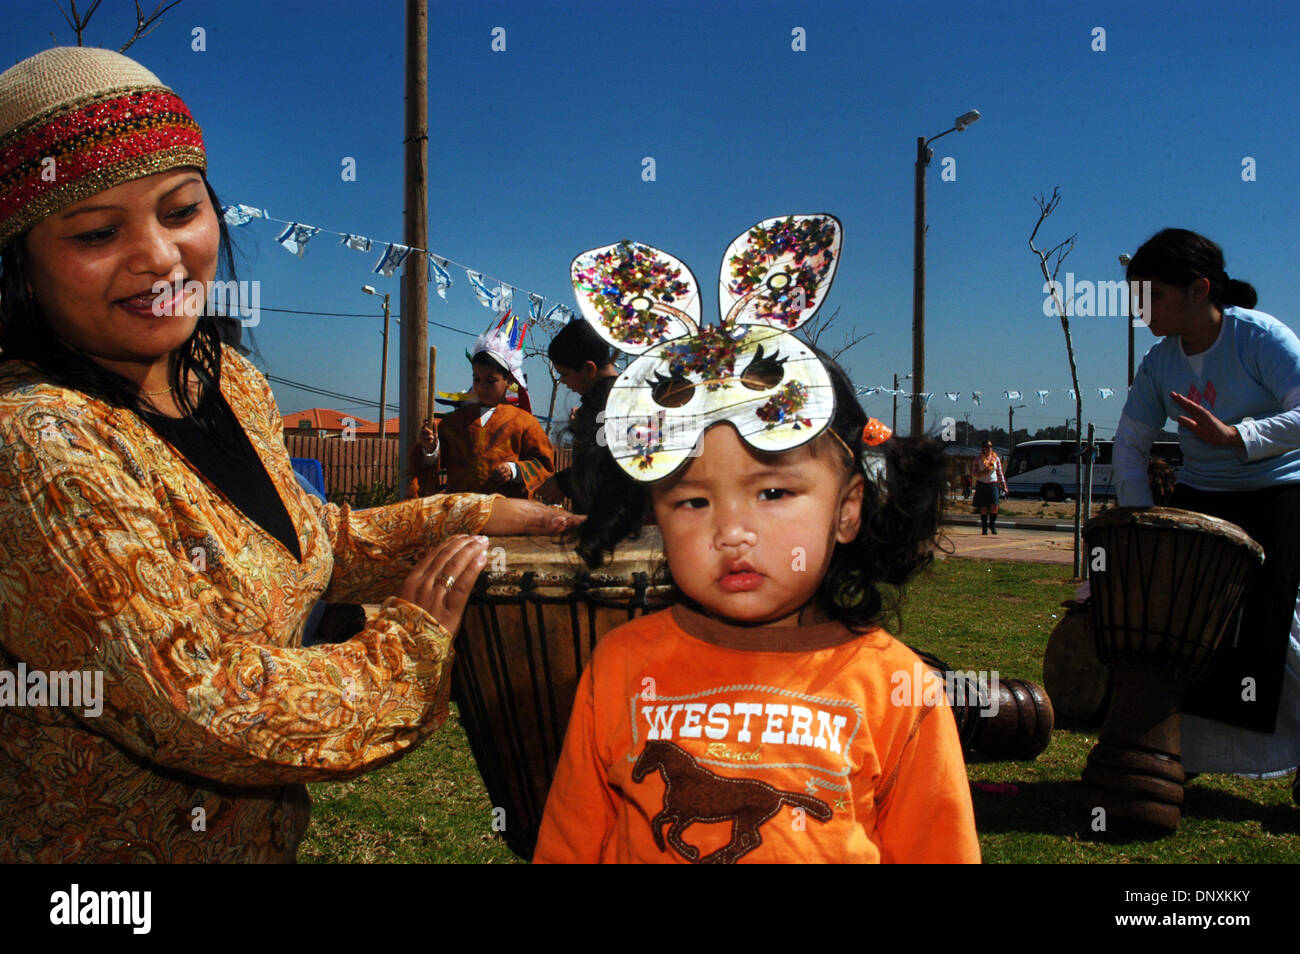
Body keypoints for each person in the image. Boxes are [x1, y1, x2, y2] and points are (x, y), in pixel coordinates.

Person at [0, 46, 579, 862]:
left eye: (179, 211)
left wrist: (480, 514)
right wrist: (406, 651)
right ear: (18, 262)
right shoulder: (35, 444)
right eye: (98, 231)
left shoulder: (226, 382)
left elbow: (314, 544)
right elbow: (195, 700)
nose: (160, 258)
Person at [533, 219, 979, 863]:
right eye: (692, 501)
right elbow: (570, 846)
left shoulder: (901, 691)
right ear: (654, 511)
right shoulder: (620, 669)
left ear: (847, 508)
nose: (732, 532)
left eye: (773, 493)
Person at [1114, 227, 1300, 797]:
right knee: (1185, 629)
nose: (1141, 310)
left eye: (1154, 297)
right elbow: (1128, 445)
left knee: (1278, 625)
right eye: (1136, 298)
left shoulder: (1260, 338)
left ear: (1199, 290)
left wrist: (1237, 436)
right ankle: (1178, 750)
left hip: (1277, 493)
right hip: (1201, 497)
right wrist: (1143, 529)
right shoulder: (1159, 362)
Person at [433, 324, 555, 498]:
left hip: (506, 516)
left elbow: (544, 465)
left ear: (509, 380)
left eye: (490, 381)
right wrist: (430, 450)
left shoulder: (525, 423)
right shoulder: (455, 422)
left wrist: (514, 470)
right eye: (477, 379)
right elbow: (434, 462)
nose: (482, 387)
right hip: (460, 513)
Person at [541, 318, 619, 512]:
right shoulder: (614, 395)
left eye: (565, 374)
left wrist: (562, 483)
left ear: (589, 369)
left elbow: (609, 466)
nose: (563, 381)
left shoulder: (608, 404)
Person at [971, 440, 1008, 533]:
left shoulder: (995, 459)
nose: (989, 449)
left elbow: (1000, 472)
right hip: (982, 484)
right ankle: (984, 528)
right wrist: (981, 473)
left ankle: (992, 524)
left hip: (993, 484)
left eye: (990, 447)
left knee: (995, 505)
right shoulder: (978, 459)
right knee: (983, 507)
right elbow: (974, 472)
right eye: (987, 447)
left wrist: (1004, 485)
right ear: (983, 448)